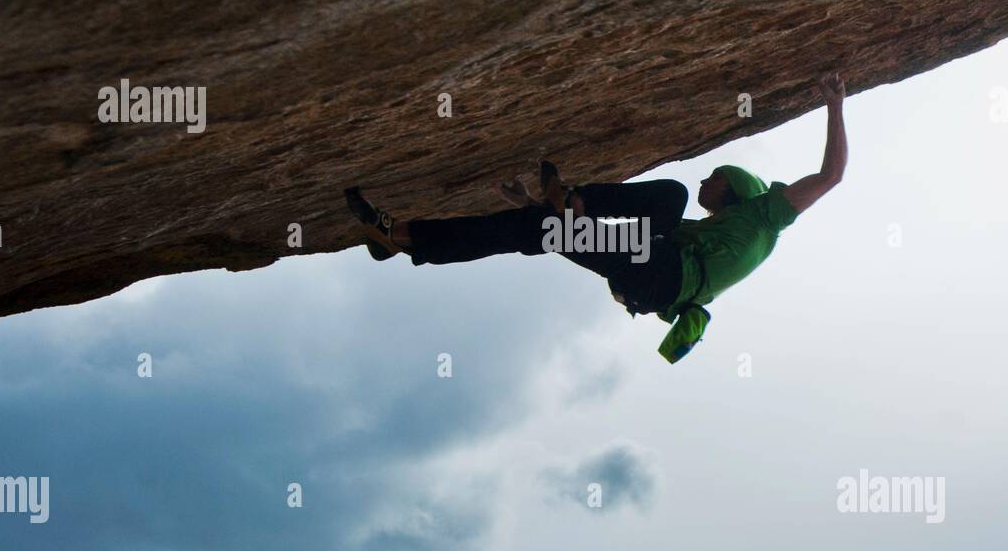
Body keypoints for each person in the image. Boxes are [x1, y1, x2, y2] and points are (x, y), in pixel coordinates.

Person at [345, 72, 848, 362]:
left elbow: (830, 176)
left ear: (735, 189)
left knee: (669, 195)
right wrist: (532, 203)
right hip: (647, 282)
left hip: (660, 272)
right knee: (538, 230)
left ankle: (576, 200)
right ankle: (401, 237)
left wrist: (834, 102)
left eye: (714, 178)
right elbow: (588, 242)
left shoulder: (765, 218)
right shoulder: (707, 235)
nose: (705, 184)